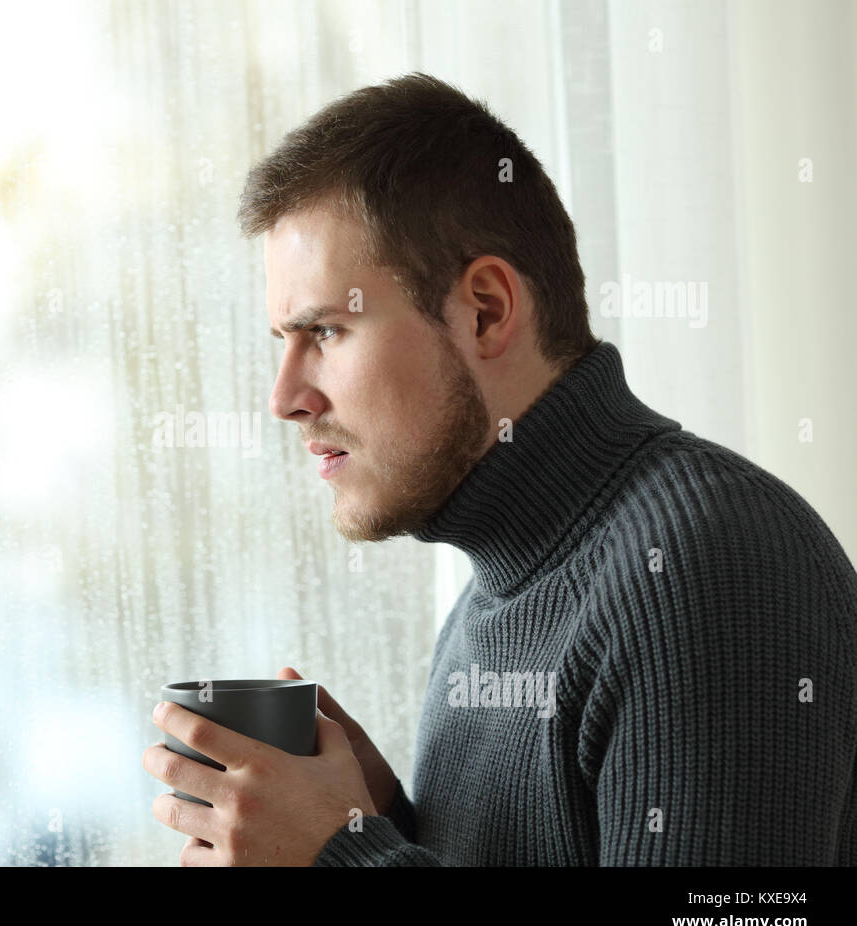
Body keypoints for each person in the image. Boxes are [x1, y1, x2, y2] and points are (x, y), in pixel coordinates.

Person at [144, 72, 857, 866]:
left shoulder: (706, 563)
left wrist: (341, 859)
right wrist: (385, 821)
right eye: (283, 340)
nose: (286, 397)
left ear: (485, 309)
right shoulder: (493, 596)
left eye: (326, 331)